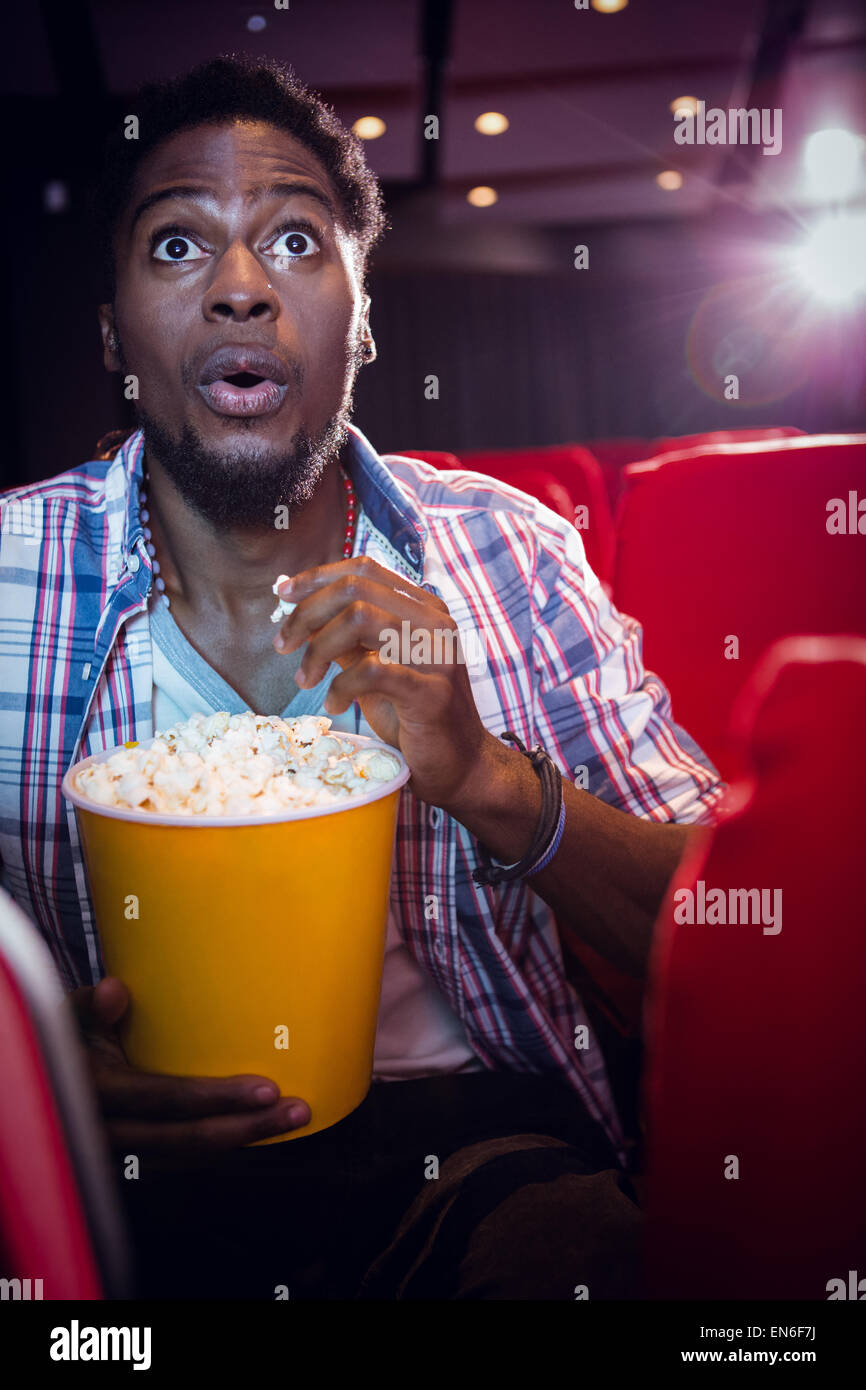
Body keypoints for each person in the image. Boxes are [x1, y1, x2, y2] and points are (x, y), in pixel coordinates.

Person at [0, 56, 726, 1299]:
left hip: (474, 1148)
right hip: (126, 1178)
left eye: (292, 239)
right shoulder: (9, 575)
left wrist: (494, 781)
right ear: (115, 331)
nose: (240, 288)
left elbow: (734, 935)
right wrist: (30, 1070)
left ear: (363, 313)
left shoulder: (506, 549)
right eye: (179, 247)